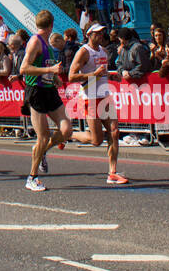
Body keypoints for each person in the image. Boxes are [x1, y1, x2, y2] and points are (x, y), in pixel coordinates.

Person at [67, 24, 128, 184]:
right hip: (90, 98)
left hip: (104, 95)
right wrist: (93, 74)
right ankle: (68, 135)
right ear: (89, 34)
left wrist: (111, 77)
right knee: (96, 140)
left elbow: (103, 73)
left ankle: (112, 173)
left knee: (114, 132)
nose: (102, 35)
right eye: (98, 33)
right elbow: (71, 76)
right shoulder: (83, 52)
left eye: (103, 32)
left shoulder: (104, 51)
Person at [19, 11, 72, 191]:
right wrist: (49, 69)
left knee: (66, 130)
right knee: (42, 137)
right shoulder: (35, 41)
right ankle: (32, 178)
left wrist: (53, 77)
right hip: (36, 92)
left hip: (49, 90)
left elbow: (44, 68)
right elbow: (24, 68)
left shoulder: (48, 45)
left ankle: (42, 152)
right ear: (52, 24)